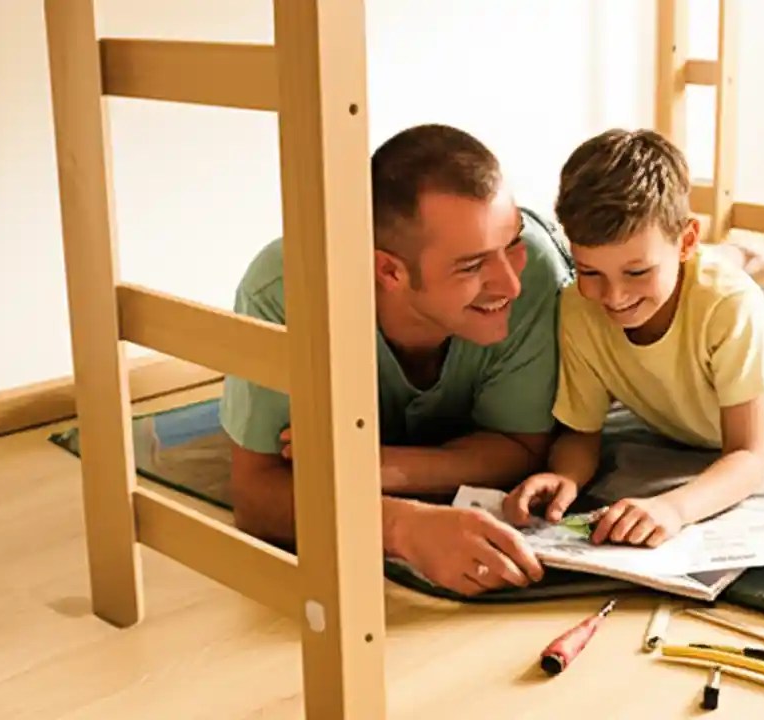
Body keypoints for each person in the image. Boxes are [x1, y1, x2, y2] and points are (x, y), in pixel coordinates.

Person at [220, 123, 575, 596]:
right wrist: (401, 528)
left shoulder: (536, 270)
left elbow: (520, 446)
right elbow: (256, 495)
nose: (510, 284)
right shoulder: (282, 294)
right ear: (389, 269)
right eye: (471, 266)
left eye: (512, 244)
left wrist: (367, 465)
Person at [502, 128, 764, 548]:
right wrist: (565, 476)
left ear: (687, 240)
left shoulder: (729, 303)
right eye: (590, 271)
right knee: (713, 298)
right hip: (733, 327)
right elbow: (581, 433)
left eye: (636, 272)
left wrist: (673, 508)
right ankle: (748, 259)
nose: (612, 297)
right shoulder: (579, 309)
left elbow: (747, 456)